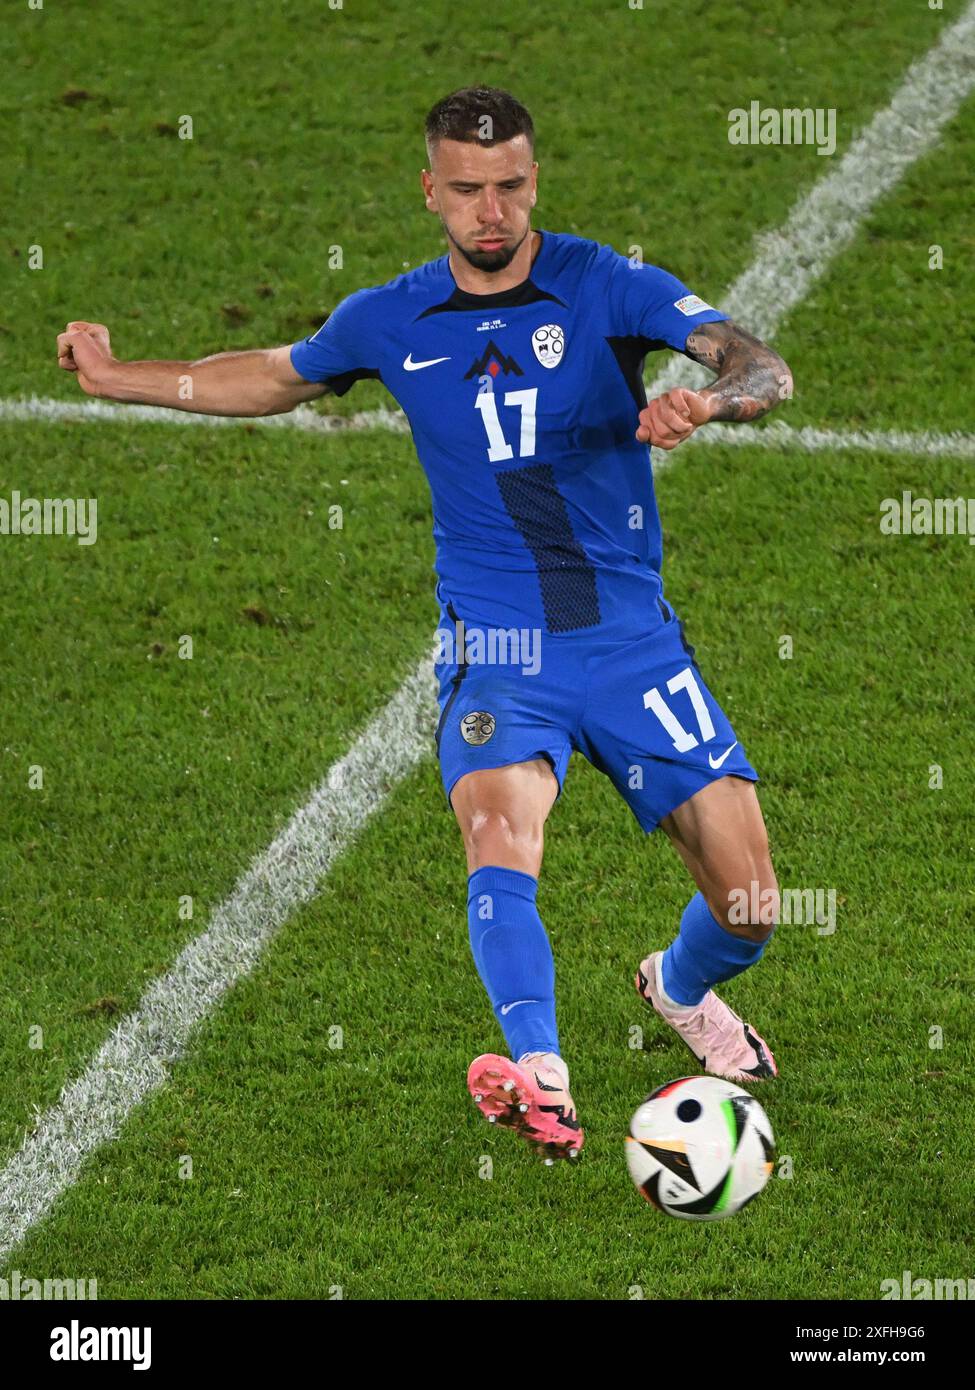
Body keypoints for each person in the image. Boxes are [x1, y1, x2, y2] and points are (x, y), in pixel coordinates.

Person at [57, 86, 793, 1165]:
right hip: (498, 648)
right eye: (467, 190)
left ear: (535, 179)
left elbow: (759, 363)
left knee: (753, 904)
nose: (491, 211)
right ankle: (543, 1074)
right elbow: (272, 376)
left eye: (511, 187)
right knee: (499, 832)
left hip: (629, 641)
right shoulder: (388, 317)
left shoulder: (607, 284)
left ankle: (676, 985)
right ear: (429, 190)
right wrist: (122, 377)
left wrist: (709, 401)